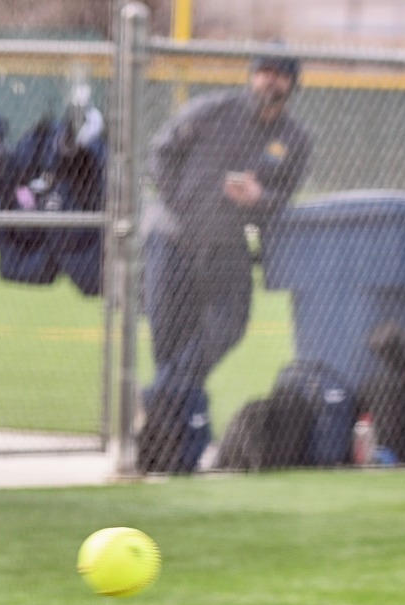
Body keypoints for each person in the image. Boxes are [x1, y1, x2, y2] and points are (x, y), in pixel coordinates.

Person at [138, 53, 311, 475]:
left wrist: (258, 199)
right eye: (264, 73)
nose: (270, 82)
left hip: (229, 244)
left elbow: (283, 199)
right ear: (252, 76)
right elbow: (160, 153)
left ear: (291, 85)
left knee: (228, 325)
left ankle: (155, 401)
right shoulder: (212, 110)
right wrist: (184, 202)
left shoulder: (295, 137)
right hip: (173, 238)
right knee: (169, 342)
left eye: (280, 76)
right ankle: (175, 449)